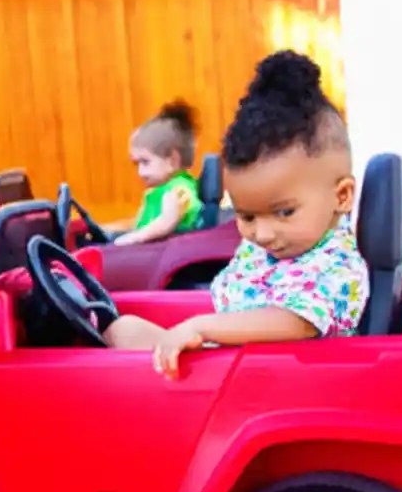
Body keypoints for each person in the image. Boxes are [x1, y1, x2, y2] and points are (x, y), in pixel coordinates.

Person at [102, 50, 370, 378]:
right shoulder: (280, 248)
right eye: (247, 216)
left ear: (341, 196)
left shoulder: (337, 265)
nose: (263, 234)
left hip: (284, 384)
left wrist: (202, 327)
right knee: (122, 329)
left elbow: (296, 321)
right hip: (238, 370)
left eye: (284, 212)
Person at [108, 100, 204, 245]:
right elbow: (140, 224)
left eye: (145, 162)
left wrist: (135, 238)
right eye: (136, 164)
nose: (140, 172)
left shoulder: (178, 190)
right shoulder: (160, 190)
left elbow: (168, 221)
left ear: (172, 160)